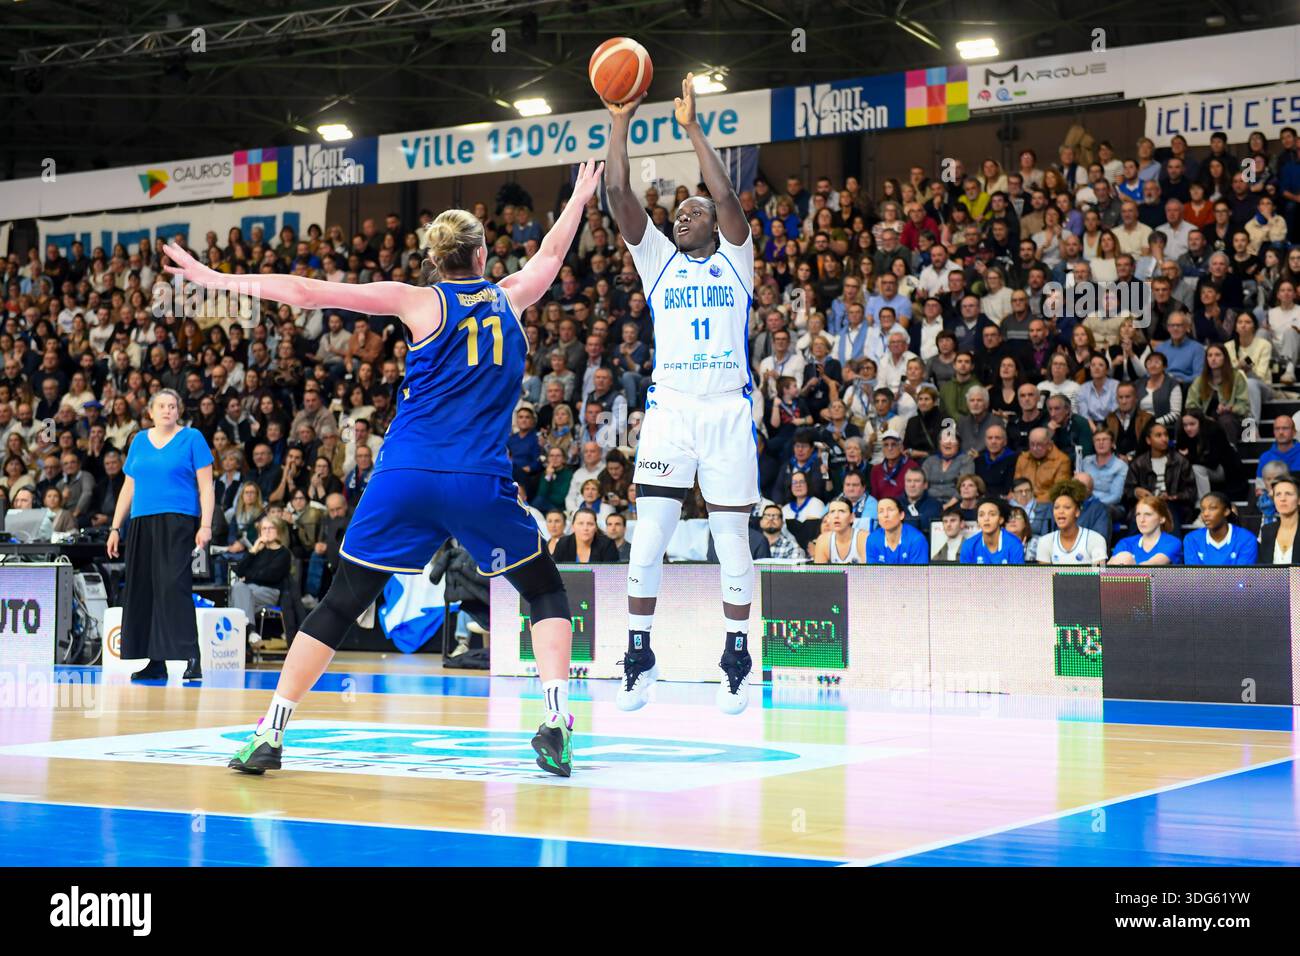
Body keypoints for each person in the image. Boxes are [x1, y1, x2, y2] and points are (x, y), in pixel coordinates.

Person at [163, 159, 606, 778]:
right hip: (479, 481)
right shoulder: (511, 297)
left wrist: (214, 276)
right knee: (544, 589)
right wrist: (580, 195)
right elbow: (554, 254)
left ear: (434, 259)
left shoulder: (415, 301)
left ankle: (271, 730)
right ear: (482, 257)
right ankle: (556, 720)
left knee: (342, 601)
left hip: (404, 478)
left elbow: (306, 290)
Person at [604, 76, 759, 715]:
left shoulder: (737, 260)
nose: (683, 216)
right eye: (677, 214)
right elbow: (616, 191)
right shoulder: (659, 262)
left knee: (732, 543)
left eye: (692, 212)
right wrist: (621, 118)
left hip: (727, 411)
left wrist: (692, 129)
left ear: (714, 226)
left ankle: (736, 655)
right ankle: (639, 653)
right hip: (671, 411)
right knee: (648, 540)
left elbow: (723, 192)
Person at [106, 389, 215, 683]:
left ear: (178, 411)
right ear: (151, 412)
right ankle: (154, 660)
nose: (168, 410)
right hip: (141, 521)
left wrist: (205, 525)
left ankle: (191, 656)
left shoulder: (192, 439)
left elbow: (206, 486)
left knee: (173, 585)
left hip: (178, 520)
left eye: (173, 406)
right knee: (144, 587)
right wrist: (116, 527)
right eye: (162, 406)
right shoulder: (139, 441)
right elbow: (129, 486)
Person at [229, 515, 294, 636]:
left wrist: (248, 576)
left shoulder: (284, 553)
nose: (267, 532)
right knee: (240, 590)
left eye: (271, 528)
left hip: (269, 592)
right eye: (264, 529)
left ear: (279, 531)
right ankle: (250, 633)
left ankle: (244, 634)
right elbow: (239, 571)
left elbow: (270, 576)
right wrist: (253, 550)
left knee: (238, 594)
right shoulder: (257, 551)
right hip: (249, 592)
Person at [1038, 479, 1108, 564]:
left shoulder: (1095, 539)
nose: (1060, 511)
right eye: (1056, 507)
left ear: (1077, 512)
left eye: (1067, 507)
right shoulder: (1045, 541)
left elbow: (1099, 575)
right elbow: (1044, 576)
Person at [1183, 492, 1258, 565]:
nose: (1205, 514)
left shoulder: (1247, 539)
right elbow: (1193, 575)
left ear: (1226, 511)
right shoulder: (1191, 539)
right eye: (1202, 509)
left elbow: (1242, 576)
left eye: (1212, 508)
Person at [960, 497, 1026, 564]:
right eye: (981, 515)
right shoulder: (969, 545)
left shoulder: (1014, 544)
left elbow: (1018, 574)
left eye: (992, 514)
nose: (986, 519)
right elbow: (965, 574)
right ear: (977, 521)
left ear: (1001, 519)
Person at [864, 496, 928, 564]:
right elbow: (871, 573)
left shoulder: (916, 540)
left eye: (890, 510)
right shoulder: (872, 539)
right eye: (881, 511)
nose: (885, 515)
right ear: (878, 519)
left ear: (901, 515)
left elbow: (919, 573)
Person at [550, 510, 621, 563]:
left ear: (596, 528)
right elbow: (554, 573)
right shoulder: (563, 544)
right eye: (580, 523)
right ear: (573, 527)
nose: (585, 528)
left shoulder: (607, 544)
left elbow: (612, 576)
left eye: (590, 524)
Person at [1257, 478, 1300, 564]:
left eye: (1288, 494)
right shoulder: (1267, 530)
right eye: (1278, 494)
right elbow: (1262, 569)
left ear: (1299, 500)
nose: (1283, 499)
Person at [812, 497, 867, 564]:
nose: (836, 516)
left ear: (852, 517)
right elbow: (819, 573)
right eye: (832, 512)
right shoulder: (823, 540)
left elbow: (869, 573)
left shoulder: (864, 538)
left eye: (842, 511)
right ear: (828, 517)